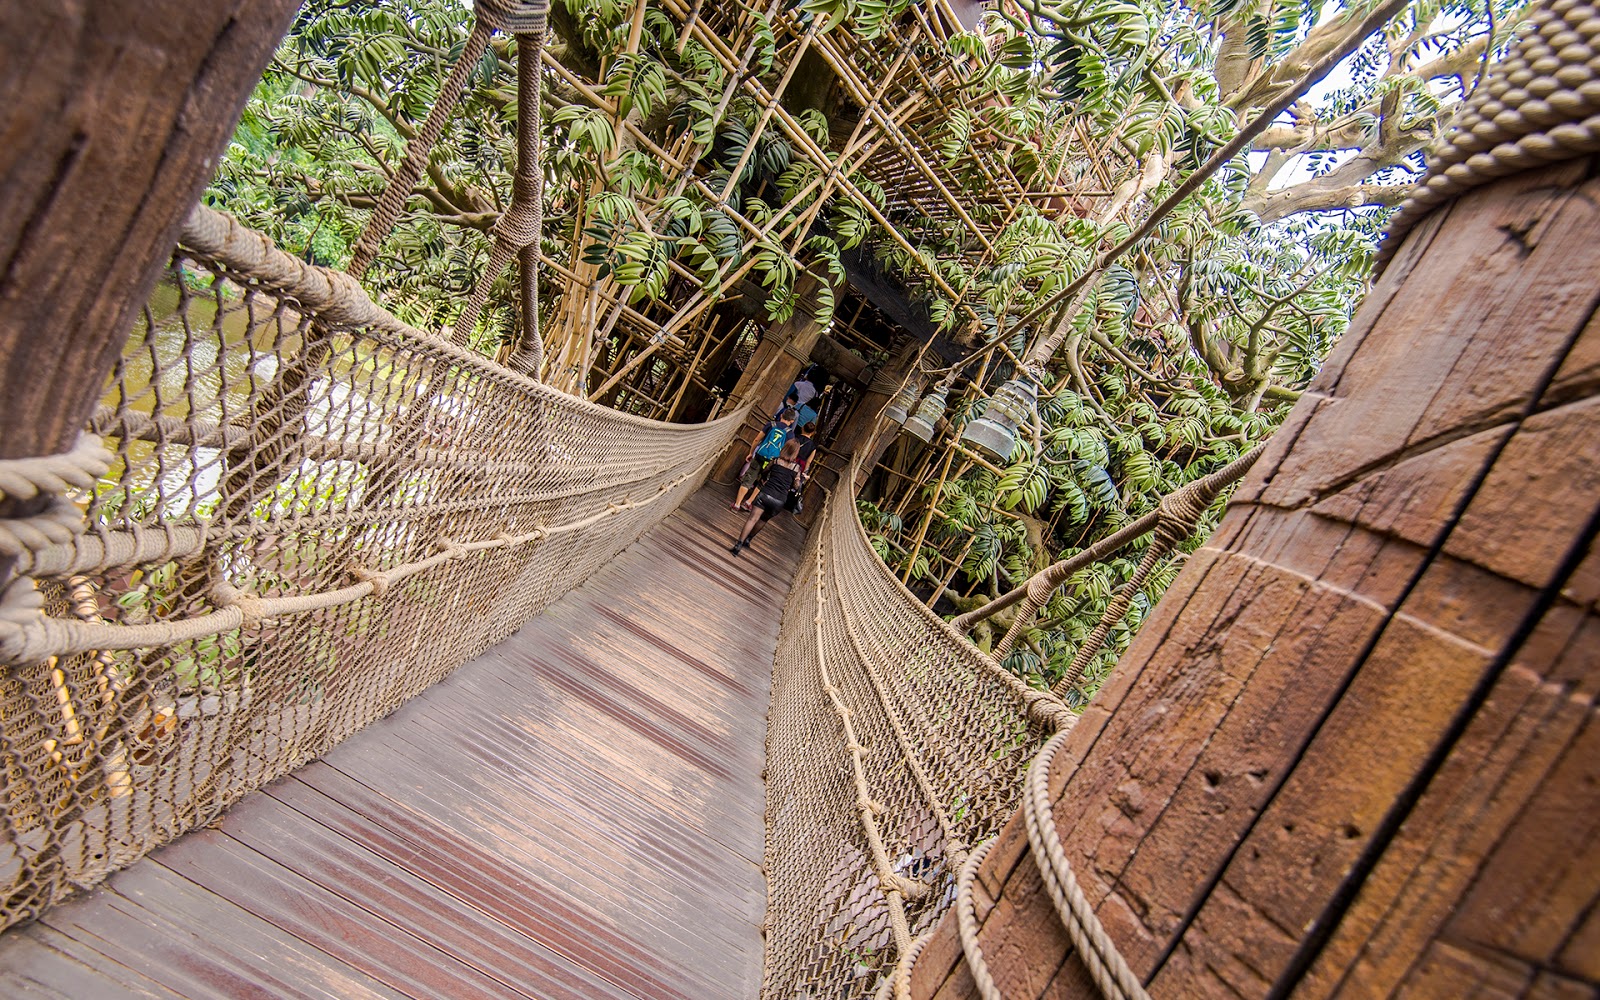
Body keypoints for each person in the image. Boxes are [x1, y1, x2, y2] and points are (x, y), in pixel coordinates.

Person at [730, 439, 802, 555]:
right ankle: (748, 539)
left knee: (752, 518)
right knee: (763, 519)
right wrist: (799, 479)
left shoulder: (775, 461)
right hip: (779, 500)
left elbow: (764, 473)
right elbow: (796, 487)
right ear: (796, 453)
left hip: (766, 494)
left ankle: (738, 544)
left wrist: (765, 480)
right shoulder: (796, 468)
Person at [733, 407, 797, 511]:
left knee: (748, 479)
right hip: (772, 462)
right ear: (792, 421)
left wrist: (751, 452)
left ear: (781, 415)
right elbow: (787, 451)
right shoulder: (790, 434)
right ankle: (748, 503)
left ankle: (737, 504)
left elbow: (757, 439)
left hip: (760, 456)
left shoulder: (770, 425)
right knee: (762, 482)